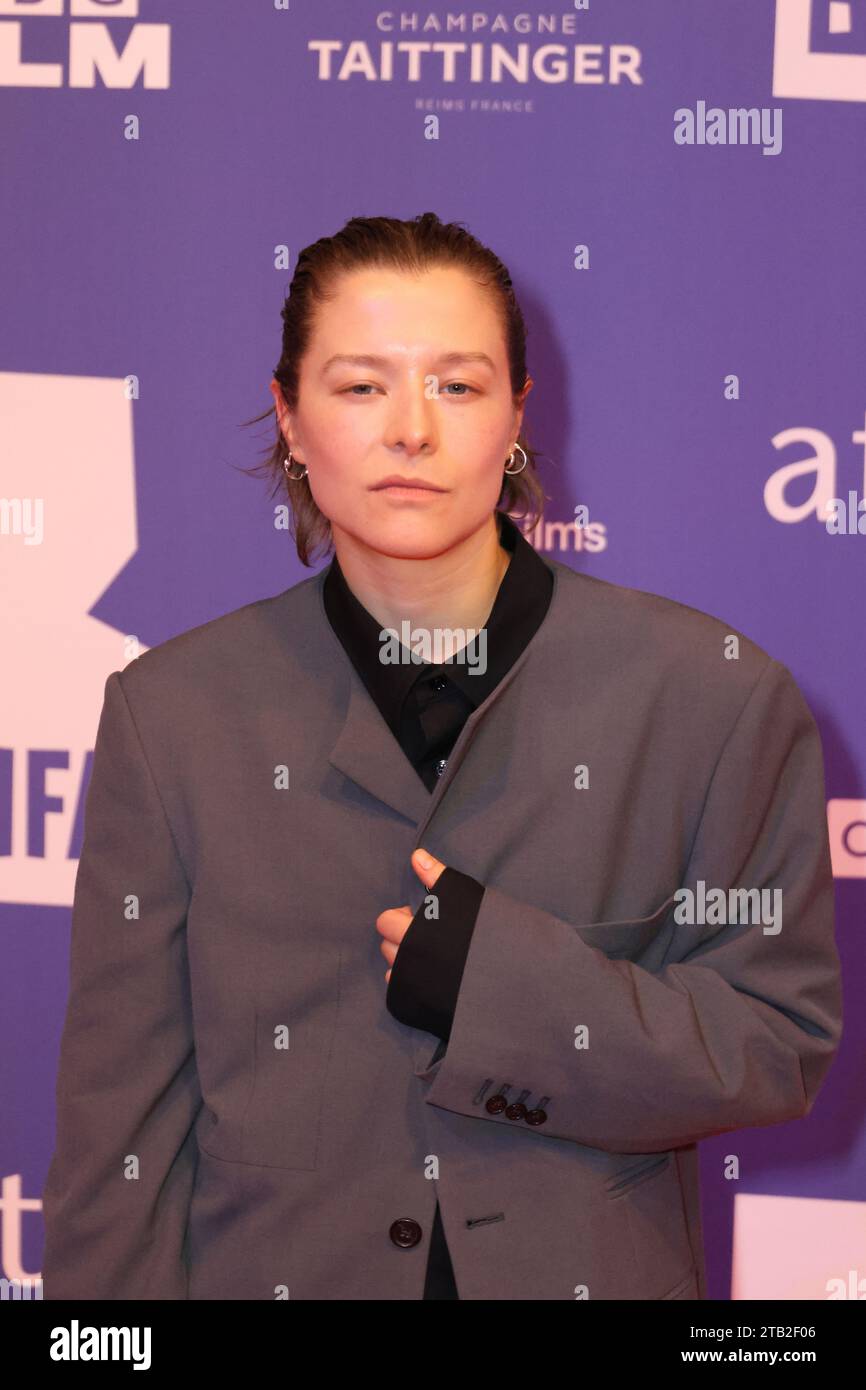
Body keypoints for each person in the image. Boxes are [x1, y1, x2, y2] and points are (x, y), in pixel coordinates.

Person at [41, 213, 843, 1301]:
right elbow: (118, 1136)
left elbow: (773, 1039)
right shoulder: (170, 715)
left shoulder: (710, 694)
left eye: (457, 387)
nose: (409, 430)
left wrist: (506, 989)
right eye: (360, 386)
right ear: (289, 416)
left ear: (517, 412)